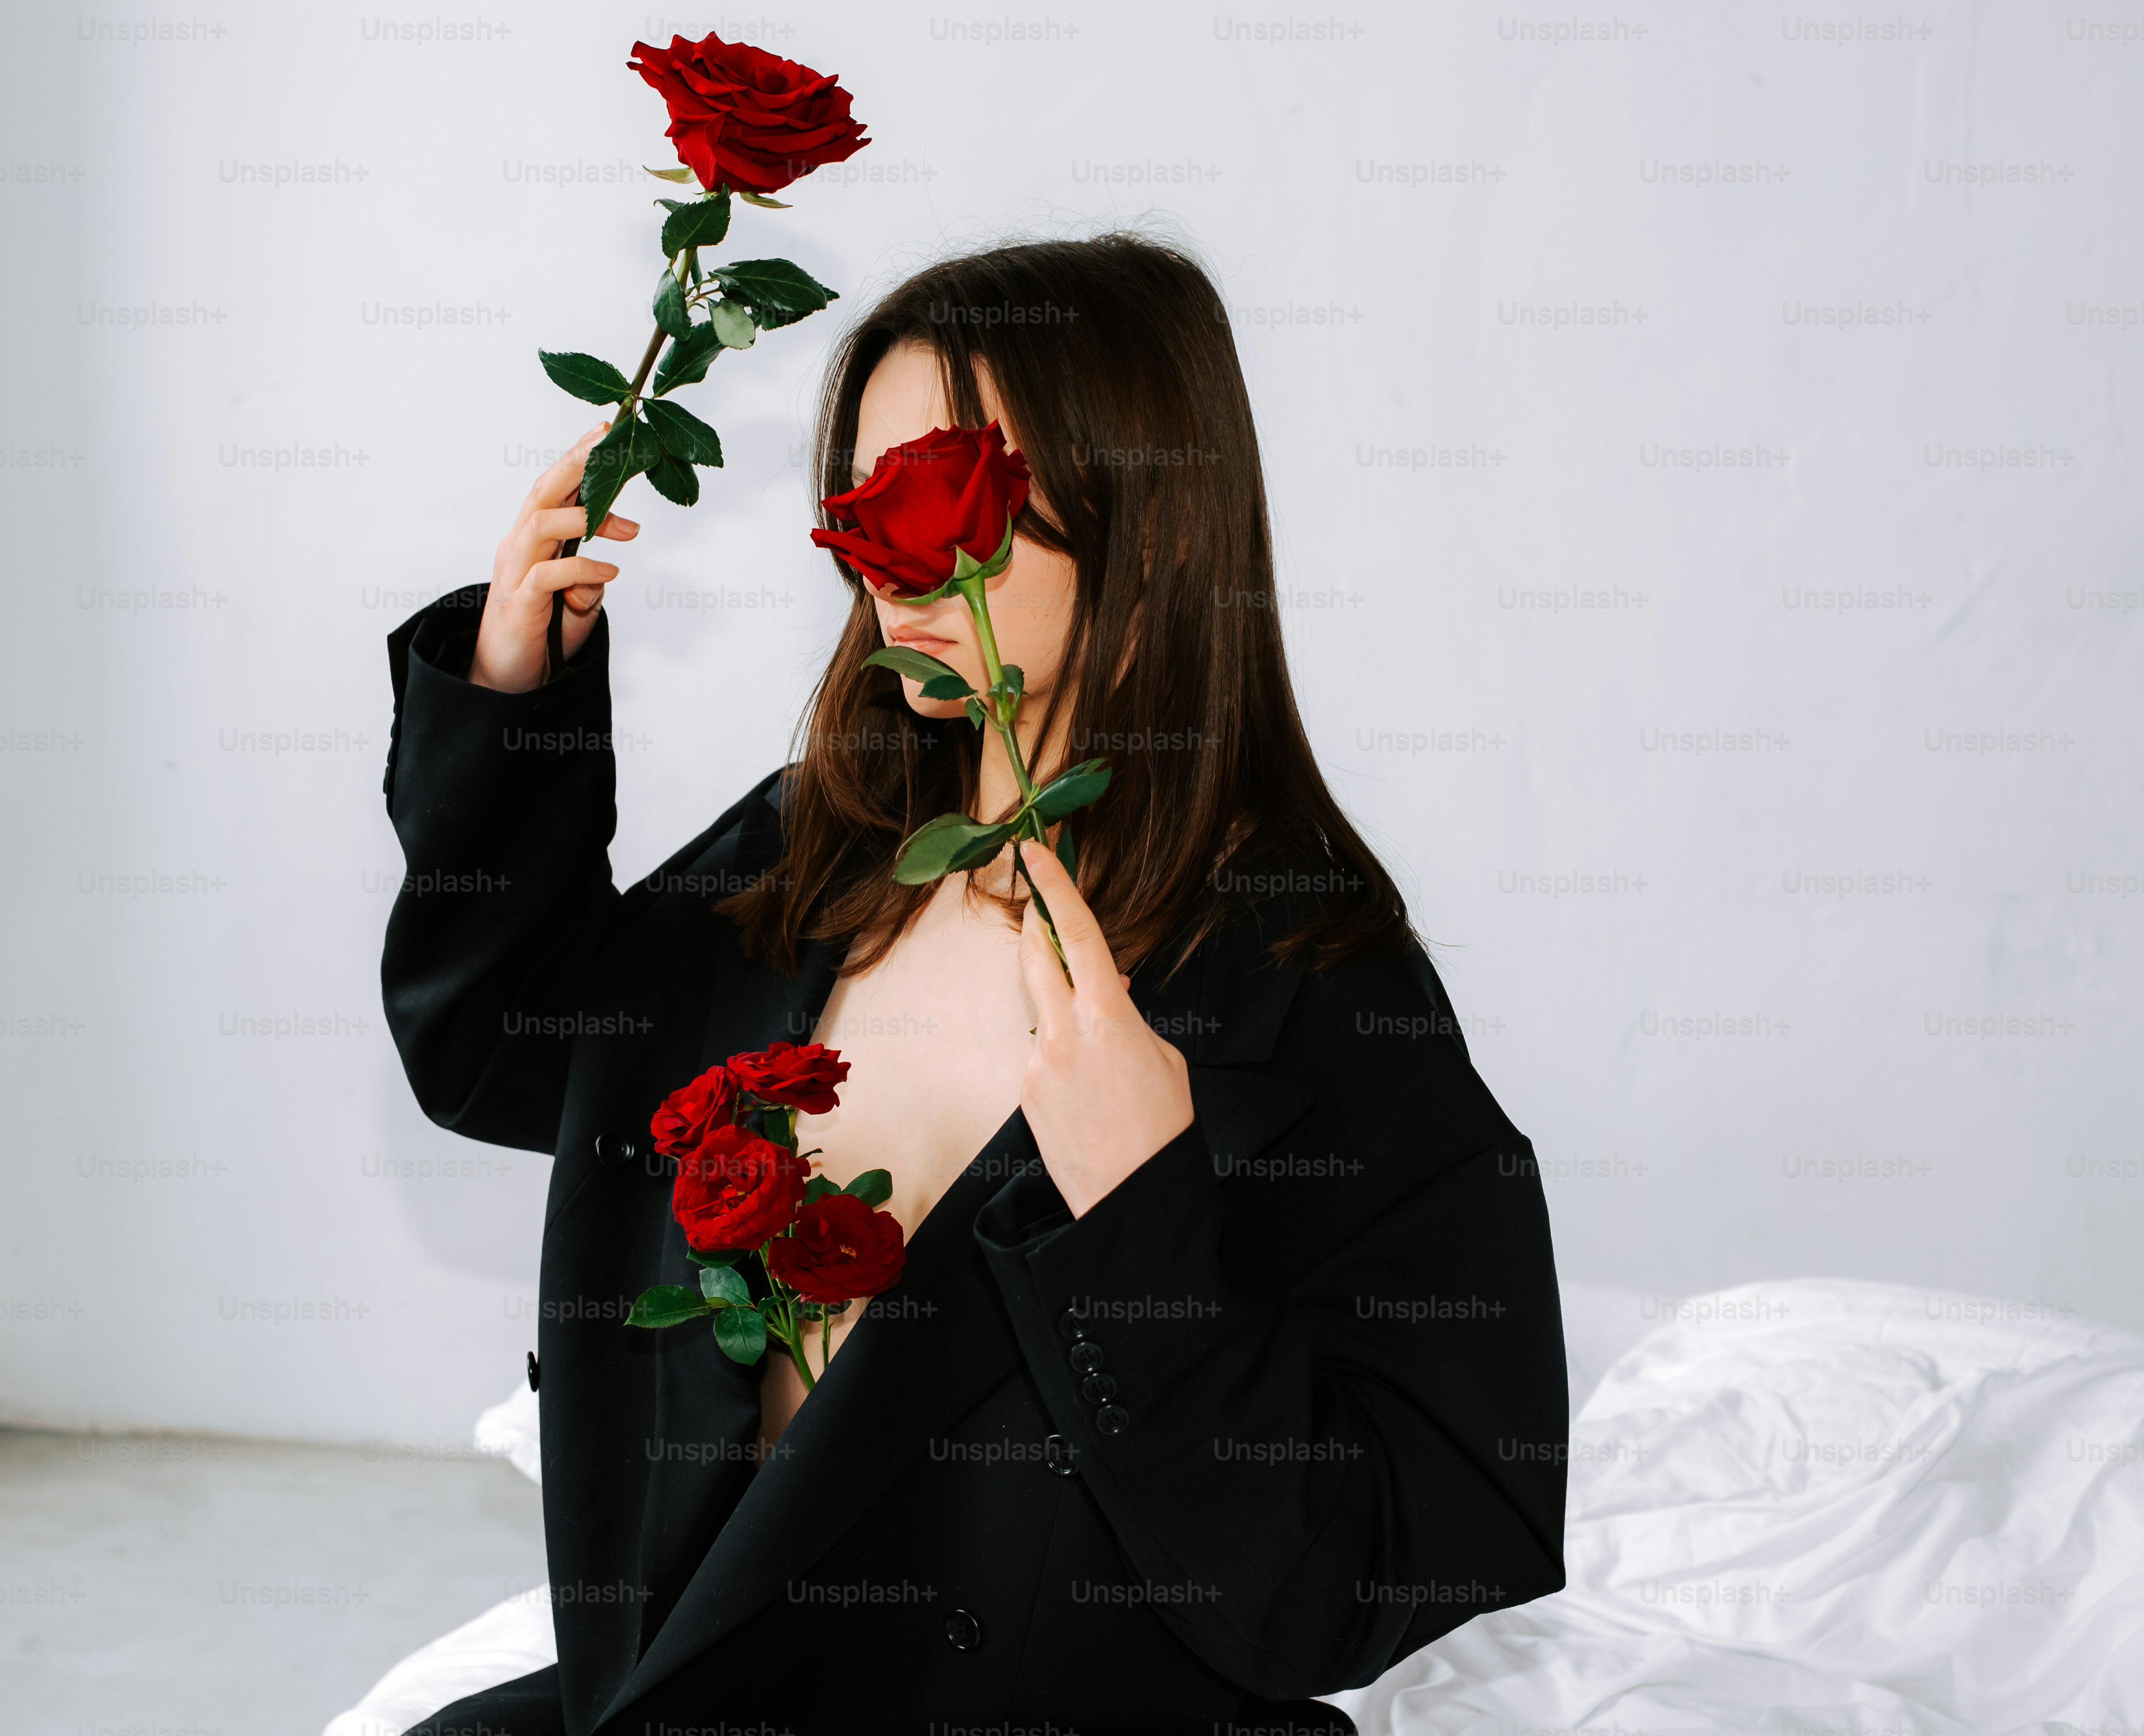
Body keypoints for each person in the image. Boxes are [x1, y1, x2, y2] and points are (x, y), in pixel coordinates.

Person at [381, 233, 1568, 1736]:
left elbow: (1379, 1564)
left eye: (956, 492)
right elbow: (502, 1054)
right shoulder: (817, 846)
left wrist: (1143, 1225)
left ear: (1148, 517)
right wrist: (513, 710)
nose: (896, 556)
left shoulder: (1306, 971)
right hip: (703, 1684)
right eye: (867, 502)